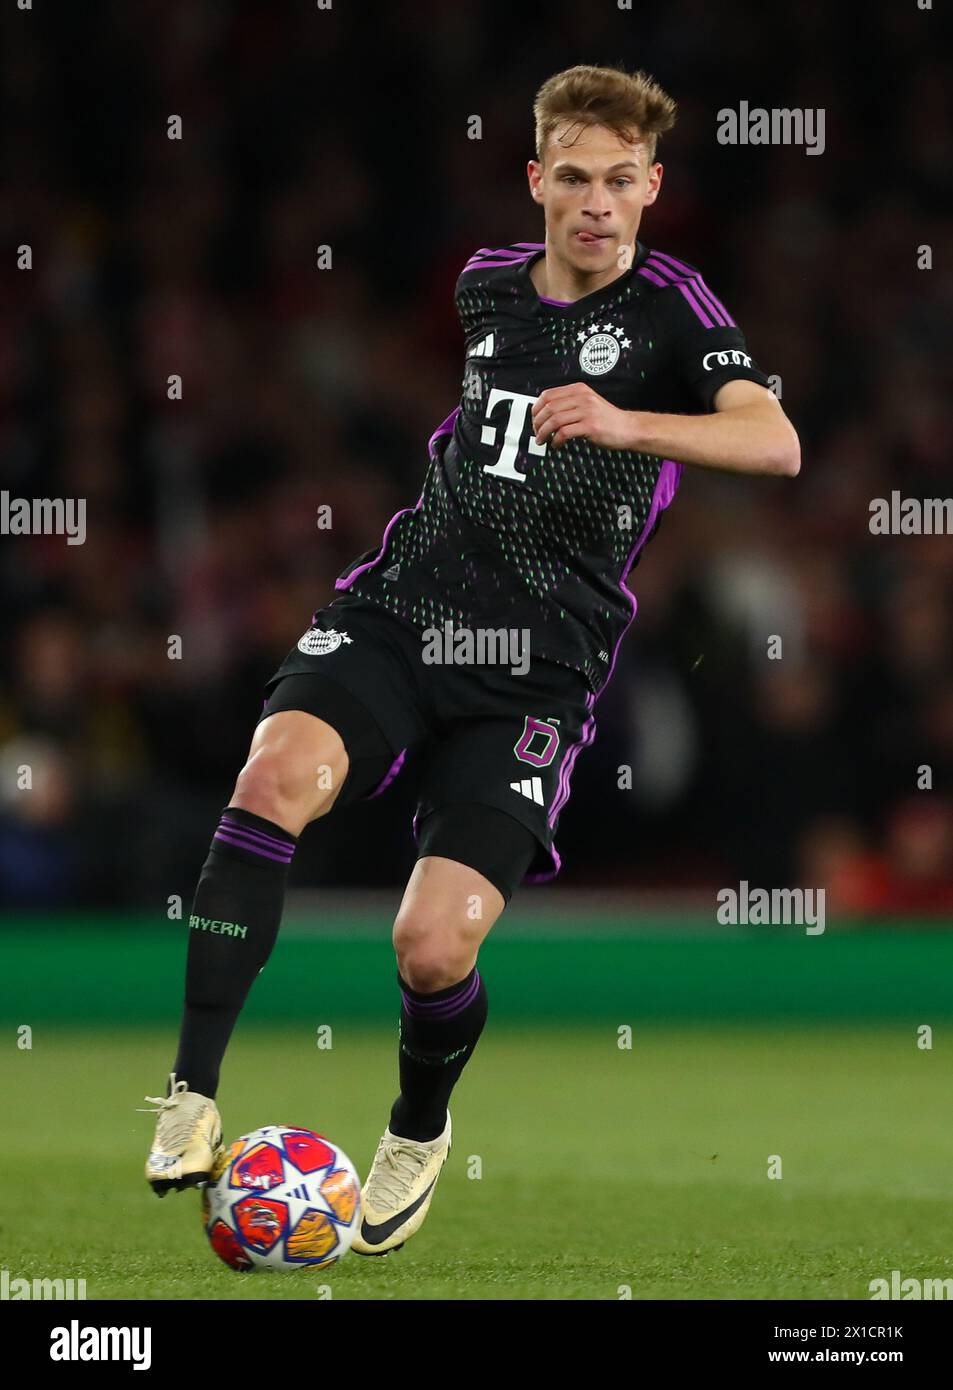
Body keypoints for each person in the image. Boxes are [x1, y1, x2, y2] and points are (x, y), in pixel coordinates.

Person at [142, 63, 800, 1256]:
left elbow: (774, 440)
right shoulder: (487, 285)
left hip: (538, 672)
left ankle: (416, 1127)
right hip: (401, 612)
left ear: (651, 189)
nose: (595, 202)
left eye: (618, 181)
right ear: (534, 179)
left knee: (431, 943)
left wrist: (627, 421)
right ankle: (189, 1097)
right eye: (572, 177)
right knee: (271, 777)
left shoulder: (674, 308)